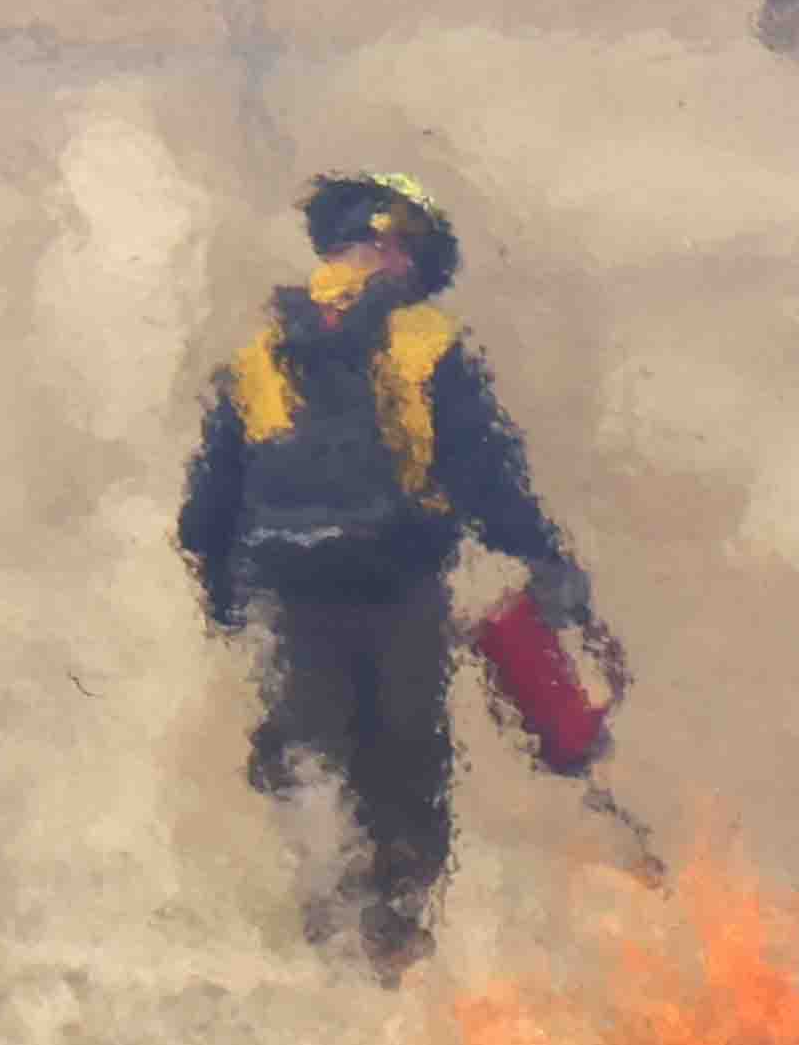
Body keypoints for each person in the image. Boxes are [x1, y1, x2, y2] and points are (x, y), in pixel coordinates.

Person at [174, 171, 600, 977]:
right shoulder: (429, 342)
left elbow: (208, 503)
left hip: (289, 595)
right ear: (398, 249)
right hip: (397, 588)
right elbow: (486, 473)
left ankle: (329, 943)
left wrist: (224, 599)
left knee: (314, 762)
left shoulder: (257, 350)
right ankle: (395, 947)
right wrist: (545, 556)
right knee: (403, 768)